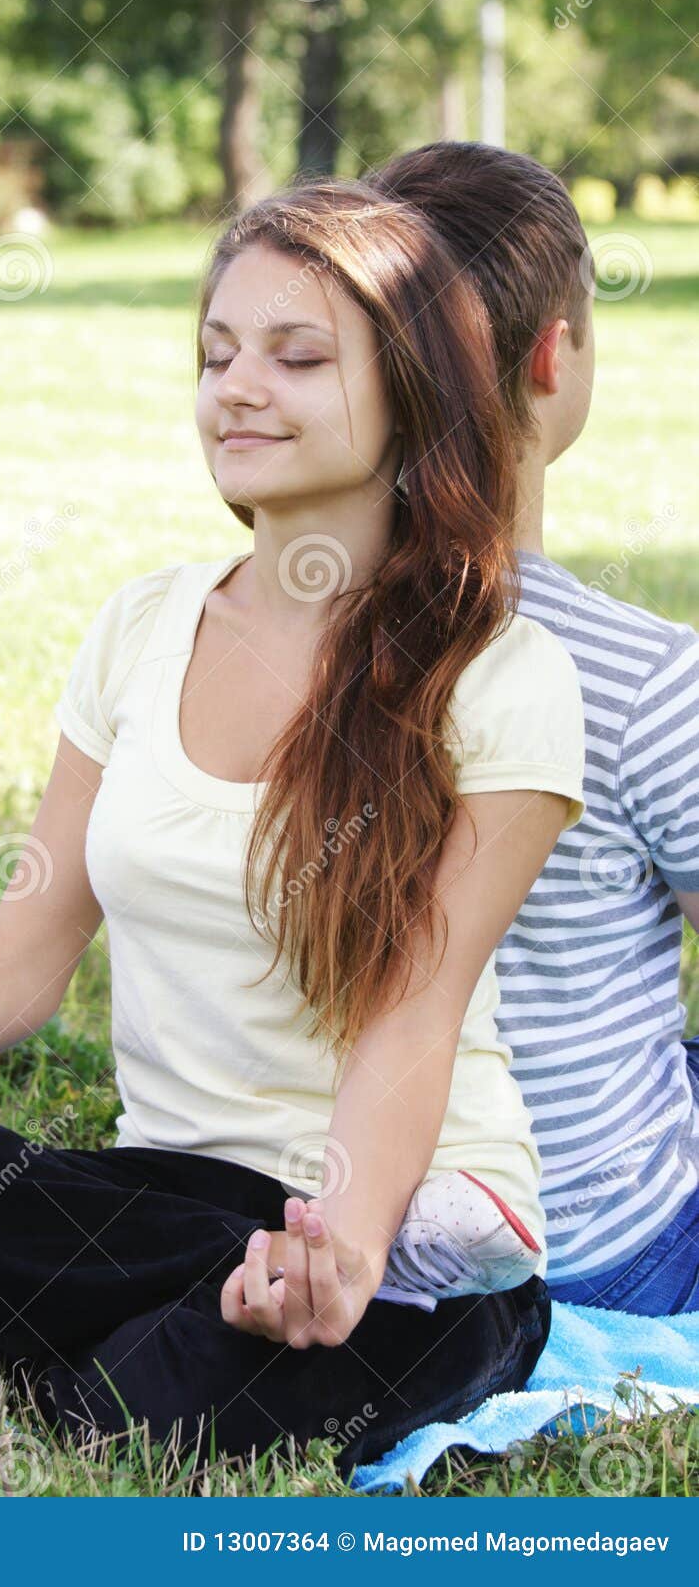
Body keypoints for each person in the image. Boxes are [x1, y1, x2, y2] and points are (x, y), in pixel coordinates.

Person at [0, 178, 586, 1466]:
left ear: (413, 387)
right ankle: (145, 1308)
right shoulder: (142, 628)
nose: (236, 388)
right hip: (165, 1194)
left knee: (147, 1409)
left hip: (395, 1212)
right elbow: (16, 960)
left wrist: (348, 1243)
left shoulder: (497, 675)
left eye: (295, 356)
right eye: (215, 353)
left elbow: (412, 1014)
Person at [369, 141, 699, 1314]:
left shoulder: (264, 640)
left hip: (340, 1228)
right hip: (596, 1249)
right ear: (555, 355)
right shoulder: (647, 675)